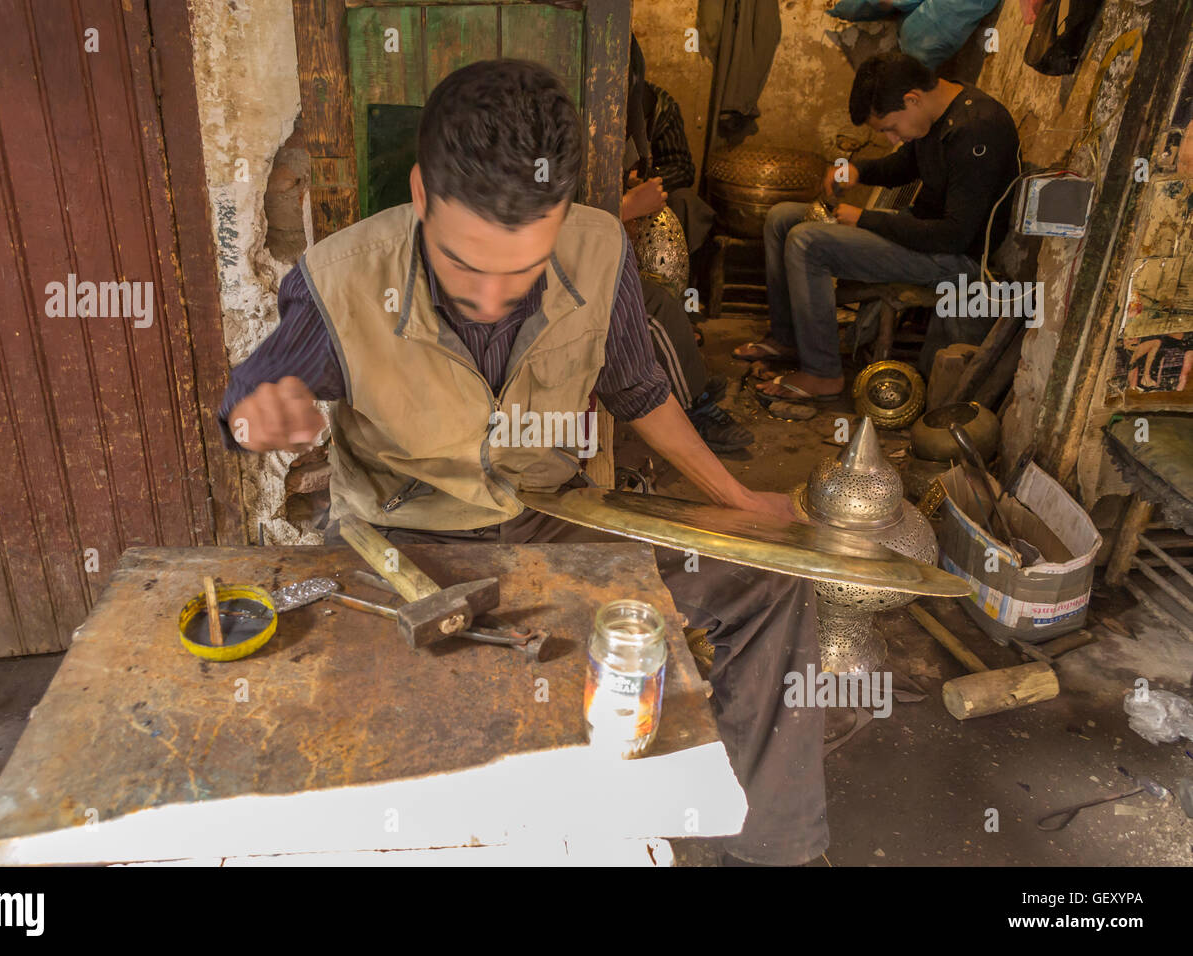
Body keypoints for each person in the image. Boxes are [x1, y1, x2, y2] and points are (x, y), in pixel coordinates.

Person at [218, 60, 828, 866]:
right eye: (467, 266)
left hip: (553, 518)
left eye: (525, 270)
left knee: (770, 579)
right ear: (422, 196)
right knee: (361, 723)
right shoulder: (341, 278)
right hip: (403, 539)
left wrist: (737, 499)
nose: (496, 298)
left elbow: (639, 390)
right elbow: (250, 396)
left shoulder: (599, 246)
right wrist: (258, 414)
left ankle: (772, 848)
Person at [744, 52, 1020, 404]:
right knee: (783, 218)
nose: (892, 138)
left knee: (807, 241)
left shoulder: (978, 129)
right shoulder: (938, 111)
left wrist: (864, 219)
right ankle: (787, 338)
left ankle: (823, 373)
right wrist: (858, 171)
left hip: (954, 259)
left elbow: (954, 236)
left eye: (890, 127)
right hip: (920, 236)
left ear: (912, 99)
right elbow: (904, 165)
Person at [623, 37, 747, 453]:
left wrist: (646, 184)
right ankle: (693, 404)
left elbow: (683, 167)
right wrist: (624, 205)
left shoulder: (656, 105)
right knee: (651, 302)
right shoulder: (577, 117)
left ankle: (683, 352)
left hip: (643, 197)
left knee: (685, 207)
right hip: (589, 231)